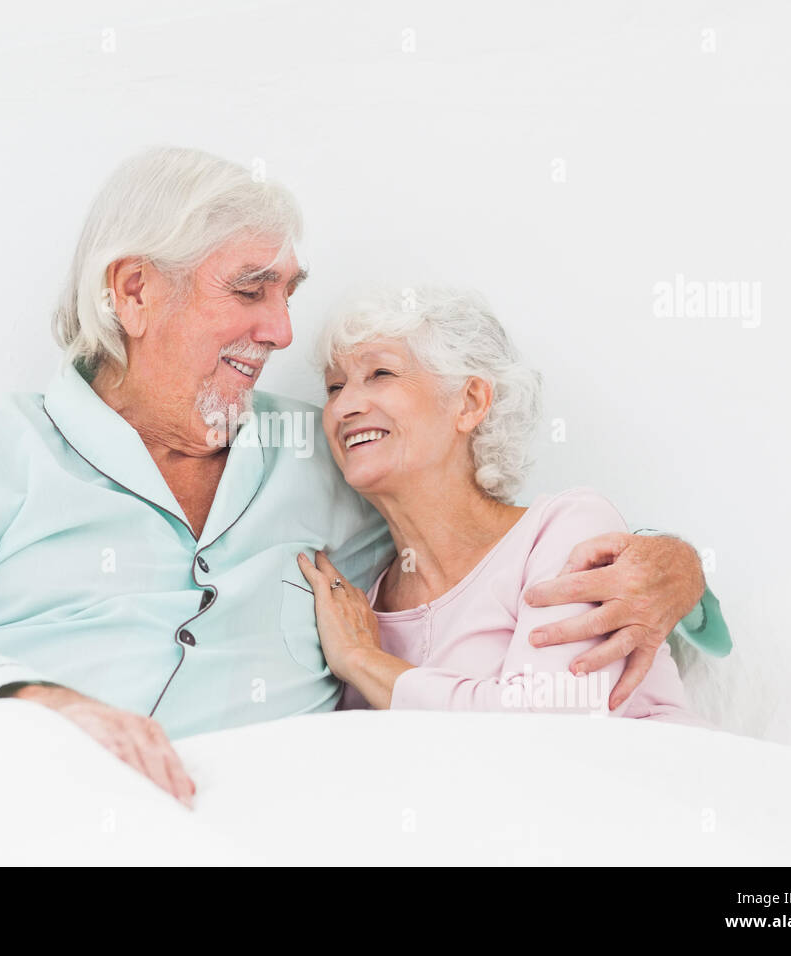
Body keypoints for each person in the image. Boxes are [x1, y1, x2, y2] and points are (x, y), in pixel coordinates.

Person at [0, 147, 727, 807]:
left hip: (281, 828)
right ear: (133, 293)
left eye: (289, 292)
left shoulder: (324, 454)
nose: (284, 332)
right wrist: (41, 702)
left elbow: (495, 543)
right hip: (43, 816)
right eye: (251, 290)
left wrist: (676, 570)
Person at [298, 285, 712, 726]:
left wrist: (364, 662)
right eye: (334, 387)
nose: (344, 406)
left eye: (380, 374)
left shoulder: (567, 530)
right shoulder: (356, 607)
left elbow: (543, 727)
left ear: (470, 401)